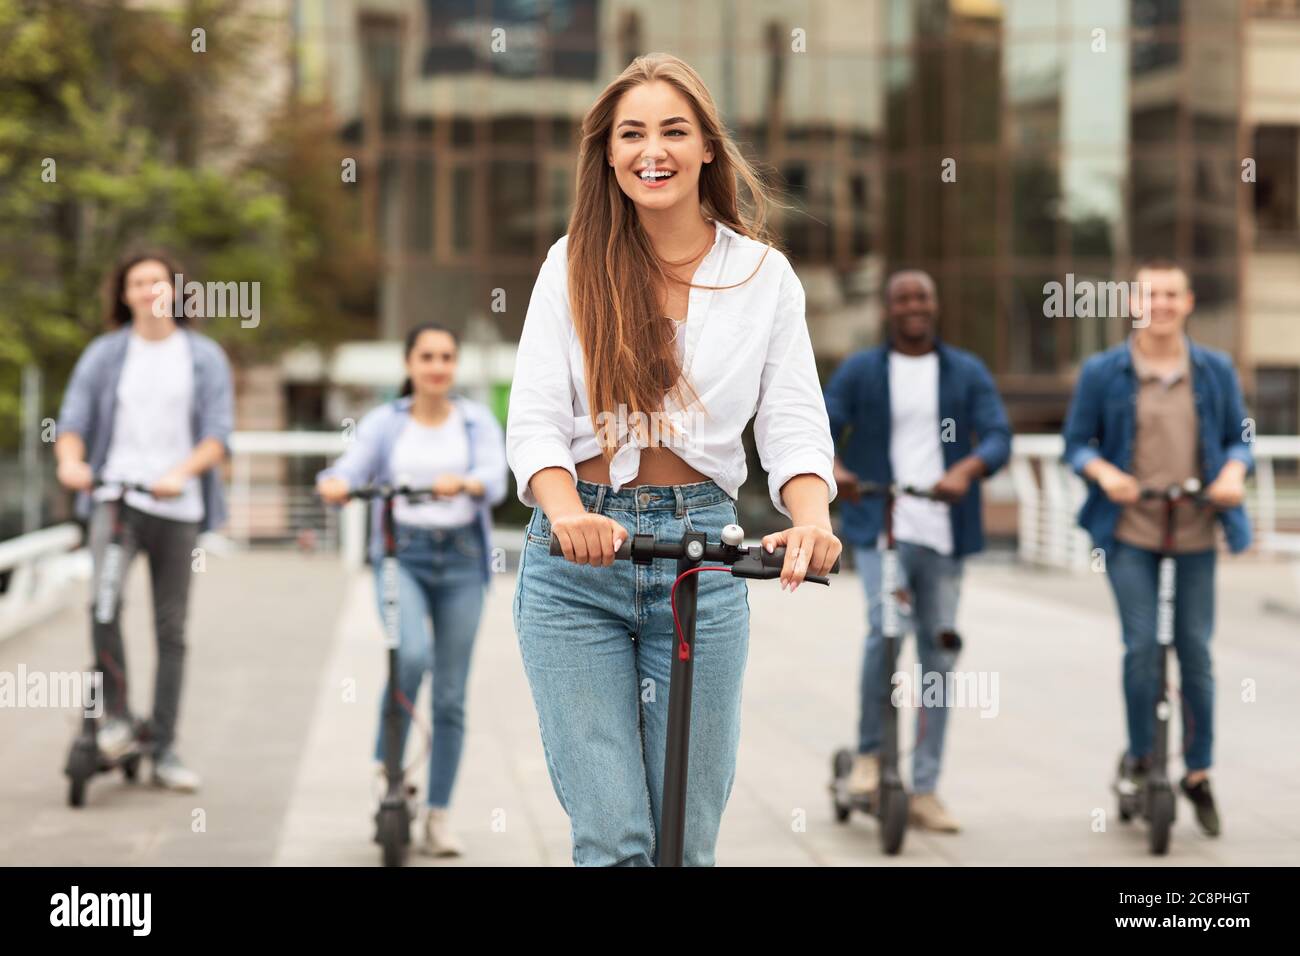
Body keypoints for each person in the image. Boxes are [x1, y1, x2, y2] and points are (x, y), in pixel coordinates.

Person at [505, 53, 841, 866]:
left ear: (706, 152)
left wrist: (811, 520)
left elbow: (792, 425)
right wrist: (566, 513)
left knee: (685, 846)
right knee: (614, 839)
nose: (651, 150)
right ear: (609, 156)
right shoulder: (571, 264)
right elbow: (536, 419)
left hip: (705, 556)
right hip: (577, 567)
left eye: (673, 131)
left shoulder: (765, 277)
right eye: (631, 134)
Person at [1062, 259, 1252, 837]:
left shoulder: (1214, 370)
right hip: (1131, 531)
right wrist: (1104, 473)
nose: (1161, 304)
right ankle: (1144, 758)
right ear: (1134, 302)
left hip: (1195, 526)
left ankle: (1197, 771)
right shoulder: (1105, 371)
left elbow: (1237, 439)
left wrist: (1235, 474)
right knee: (1141, 646)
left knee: (1195, 650)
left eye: (1172, 294)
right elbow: (1076, 443)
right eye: (1151, 294)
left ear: (1187, 302)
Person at [824, 269, 1011, 832]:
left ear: (935, 306)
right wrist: (836, 470)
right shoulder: (862, 371)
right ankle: (868, 759)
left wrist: (967, 470)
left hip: (945, 534)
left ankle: (925, 787)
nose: (913, 306)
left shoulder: (965, 371)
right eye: (902, 298)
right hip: (884, 525)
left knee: (939, 657)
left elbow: (998, 434)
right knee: (885, 634)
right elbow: (819, 424)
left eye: (922, 298)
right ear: (888, 309)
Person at [316, 322, 507, 856]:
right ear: (409, 364)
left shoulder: (473, 421)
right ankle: (389, 765)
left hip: (464, 561)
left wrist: (465, 482)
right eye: (427, 356)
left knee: (450, 695)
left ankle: (439, 814)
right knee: (410, 656)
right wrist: (334, 484)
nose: (437, 366)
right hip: (404, 556)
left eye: (447, 357)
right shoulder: (385, 423)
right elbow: (350, 468)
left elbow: (495, 478)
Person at [55, 249, 234, 792]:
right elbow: (73, 420)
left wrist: (181, 472)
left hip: (177, 508)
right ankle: (117, 717)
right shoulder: (106, 354)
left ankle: (165, 748)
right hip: (116, 499)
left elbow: (218, 436)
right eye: (138, 281)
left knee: (170, 628)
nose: (149, 289)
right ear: (124, 293)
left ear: (175, 290)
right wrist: (70, 461)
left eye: (159, 280)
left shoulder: (202, 356)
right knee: (103, 604)